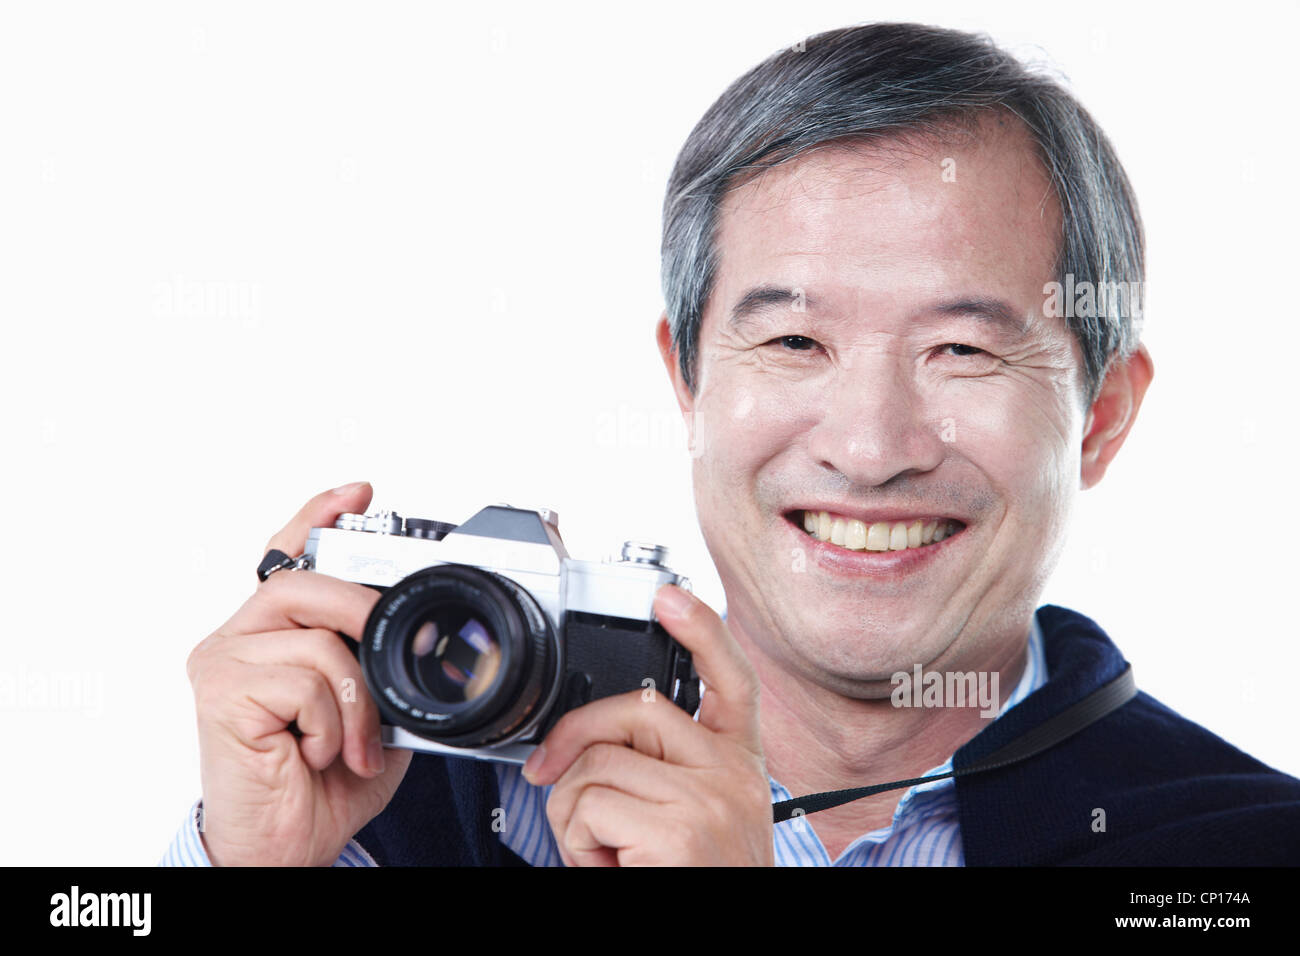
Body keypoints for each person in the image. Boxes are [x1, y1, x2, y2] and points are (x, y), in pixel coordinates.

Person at [162, 22, 1300, 867]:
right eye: (795, 340)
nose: (870, 447)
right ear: (688, 380)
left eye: (961, 350)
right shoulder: (409, 792)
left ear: (1102, 416)